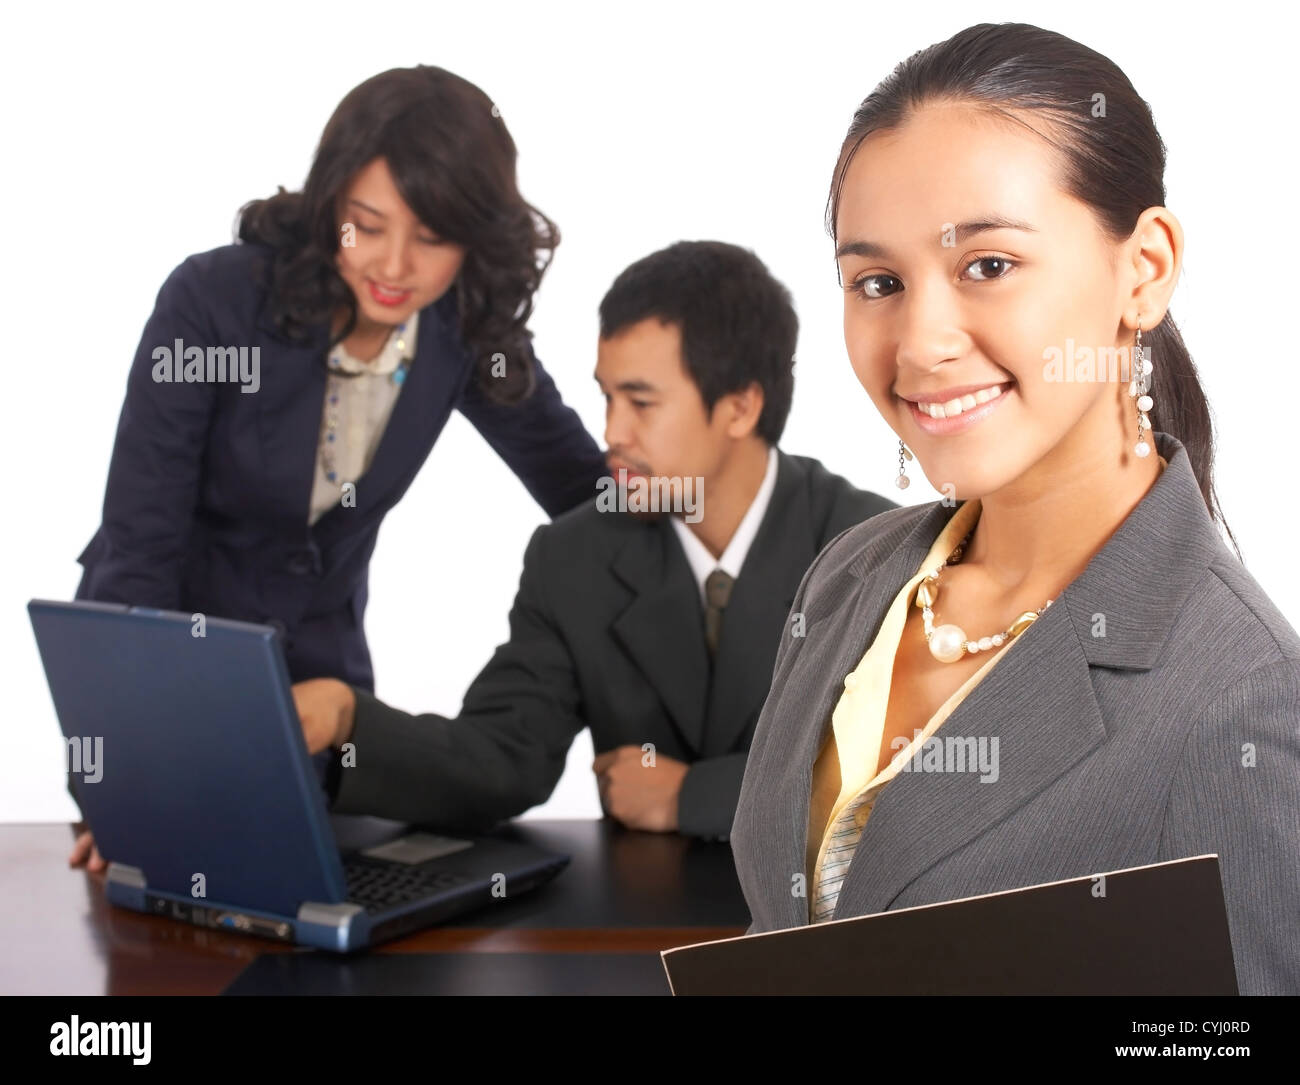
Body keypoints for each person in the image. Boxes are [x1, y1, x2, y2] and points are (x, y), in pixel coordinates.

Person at [730, 23, 1300, 995]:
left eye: (987, 265)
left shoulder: (1239, 701)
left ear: (1144, 266)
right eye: (877, 282)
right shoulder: (851, 574)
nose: (921, 340)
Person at [69, 65, 606, 872]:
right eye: (367, 224)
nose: (395, 266)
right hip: (164, 674)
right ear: (329, 207)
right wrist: (138, 777)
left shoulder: (466, 327)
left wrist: (715, 523)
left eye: (431, 238)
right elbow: (140, 547)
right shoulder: (212, 302)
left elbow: (579, 488)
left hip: (322, 699)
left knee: (330, 937)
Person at [293, 241, 896, 840]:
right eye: (607, 398)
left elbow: (903, 772)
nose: (611, 432)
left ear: (740, 407)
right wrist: (350, 721)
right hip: (633, 916)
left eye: (640, 402)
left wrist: (692, 797)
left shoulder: (877, 551)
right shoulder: (572, 556)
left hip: (821, 925)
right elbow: (502, 759)